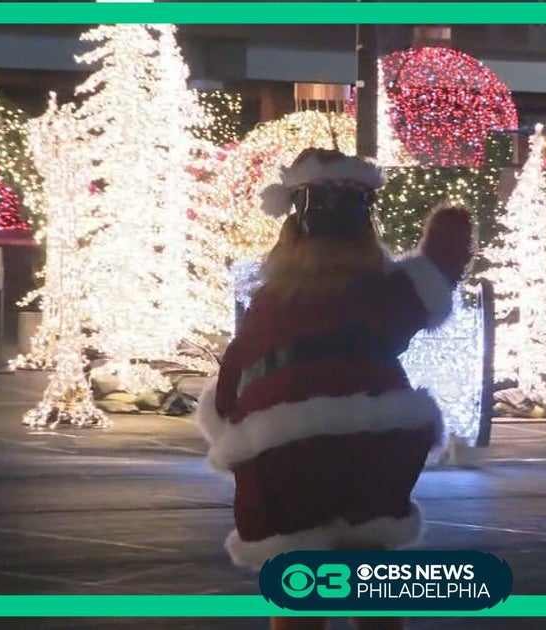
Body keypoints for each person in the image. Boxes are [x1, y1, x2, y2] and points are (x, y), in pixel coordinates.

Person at [196, 147, 476, 630]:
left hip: (283, 449)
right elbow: (432, 281)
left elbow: (233, 378)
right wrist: (445, 242)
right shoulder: (383, 291)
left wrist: (231, 427)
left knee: (301, 586)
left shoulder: (270, 301)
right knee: (371, 579)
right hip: (375, 443)